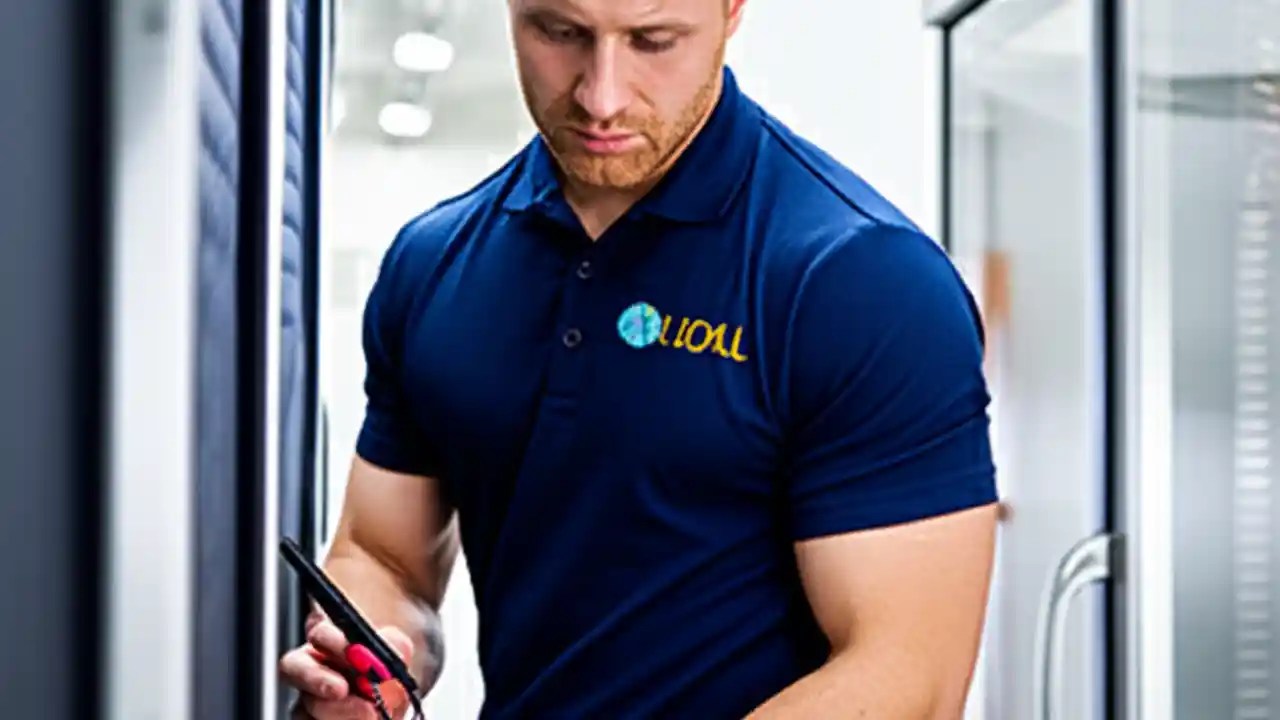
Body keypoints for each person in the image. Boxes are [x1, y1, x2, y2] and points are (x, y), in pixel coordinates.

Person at [279, 0, 1000, 717]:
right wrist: (374, 655)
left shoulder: (862, 279)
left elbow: (909, 675)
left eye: (653, 41)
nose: (603, 96)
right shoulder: (432, 264)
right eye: (560, 33)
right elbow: (382, 555)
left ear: (731, 11)